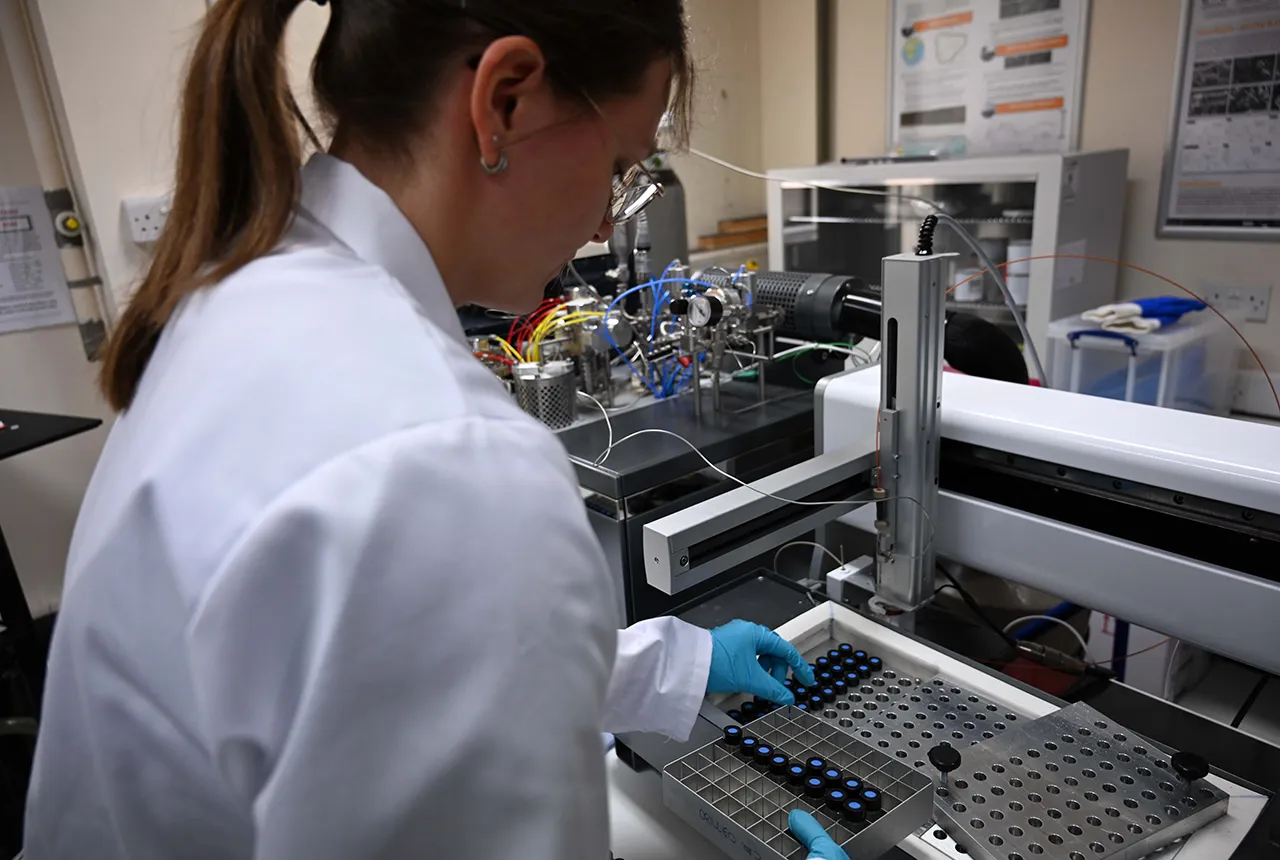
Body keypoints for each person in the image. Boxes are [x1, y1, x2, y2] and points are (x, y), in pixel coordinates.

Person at [23, 2, 848, 859]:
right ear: (506, 101)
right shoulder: (443, 458)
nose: (608, 224)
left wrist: (673, 665)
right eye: (616, 166)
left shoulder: (237, 292)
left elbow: (369, 677)